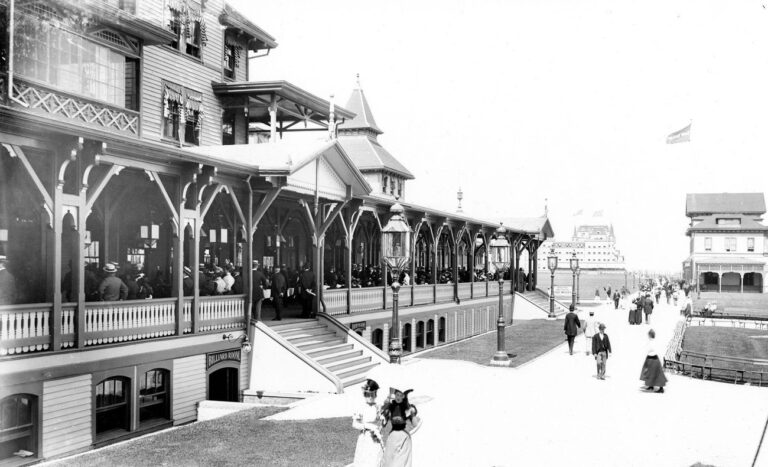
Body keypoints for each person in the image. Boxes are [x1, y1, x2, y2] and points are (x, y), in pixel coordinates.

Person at [382, 387, 421, 467]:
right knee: (389, 459)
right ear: (395, 395)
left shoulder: (406, 408)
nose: (398, 397)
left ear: (404, 396)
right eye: (397, 395)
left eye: (401, 395)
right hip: (393, 436)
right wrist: (384, 413)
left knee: (401, 461)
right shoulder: (391, 407)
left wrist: (412, 414)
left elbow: (415, 424)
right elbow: (384, 424)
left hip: (403, 437)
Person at [352, 379, 384, 467]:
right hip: (365, 437)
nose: (370, 397)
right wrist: (366, 426)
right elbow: (354, 424)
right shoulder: (361, 408)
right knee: (365, 461)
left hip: (375, 438)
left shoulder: (378, 407)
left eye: (372, 395)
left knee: (376, 460)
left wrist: (381, 425)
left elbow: (380, 422)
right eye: (368, 395)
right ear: (364, 395)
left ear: (375, 395)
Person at [640, 329, 667, 393]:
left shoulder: (652, 342)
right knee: (650, 373)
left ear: (650, 335)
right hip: (651, 359)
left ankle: (661, 388)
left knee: (657, 374)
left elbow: (650, 349)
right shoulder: (651, 341)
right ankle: (651, 385)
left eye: (648, 335)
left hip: (653, 359)